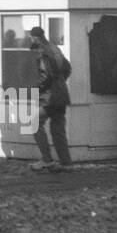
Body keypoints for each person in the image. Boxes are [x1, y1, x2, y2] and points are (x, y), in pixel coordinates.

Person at [28, 27, 71, 172]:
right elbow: (67, 68)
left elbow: (46, 75)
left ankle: (47, 160)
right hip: (62, 94)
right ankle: (66, 163)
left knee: (34, 123)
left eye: (32, 38)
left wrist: (37, 89)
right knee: (58, 130)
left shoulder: (41, 52)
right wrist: (60, 83)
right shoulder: (55, 48)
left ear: (35, 38)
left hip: (50, 97)